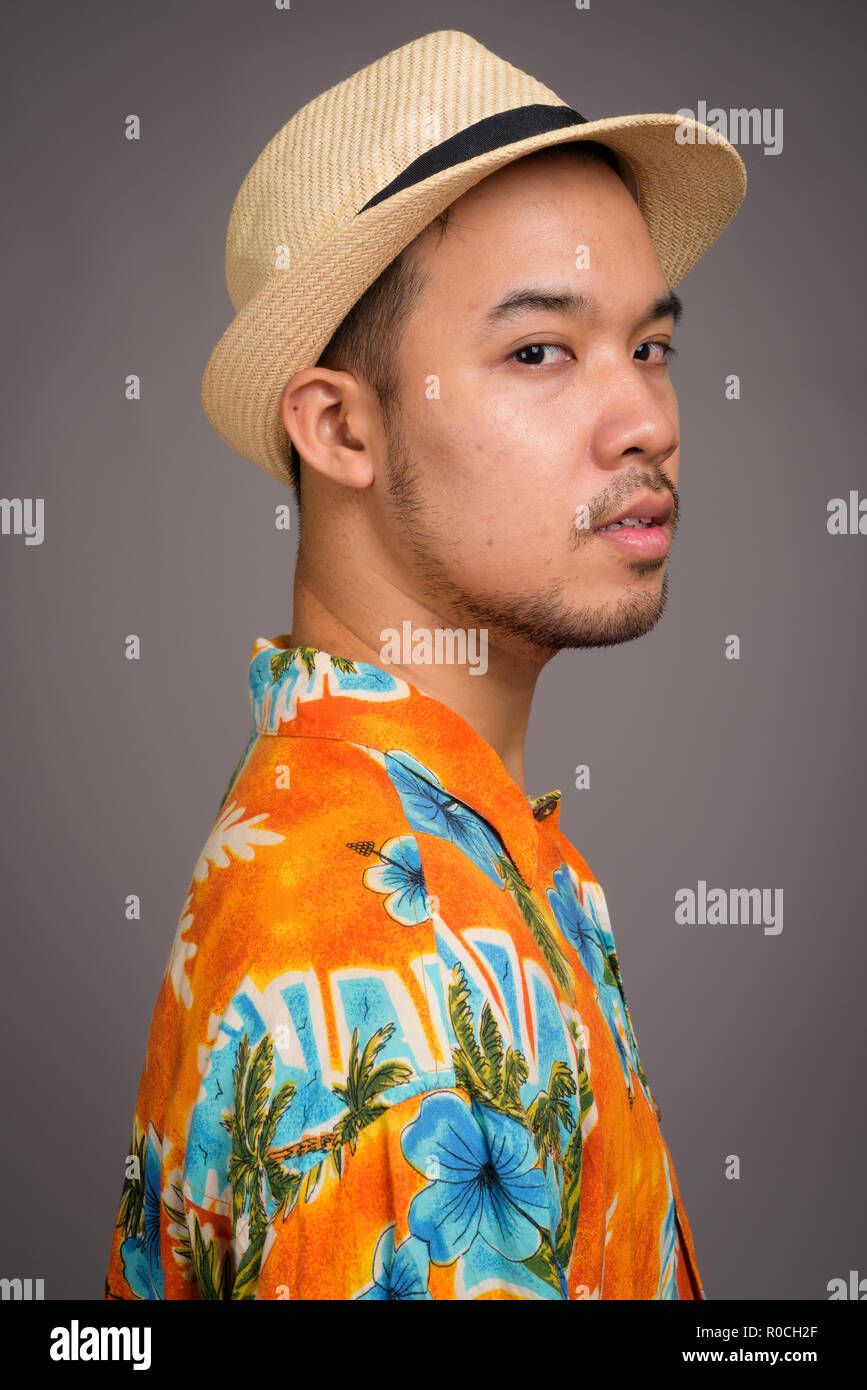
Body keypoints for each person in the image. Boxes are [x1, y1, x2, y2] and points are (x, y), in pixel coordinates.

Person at [104, 28, 746, 1300]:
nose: (646, 421)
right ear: (340, 425)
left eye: (650, 346)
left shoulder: (461, 859)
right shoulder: (379, 960)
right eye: (540, 353)